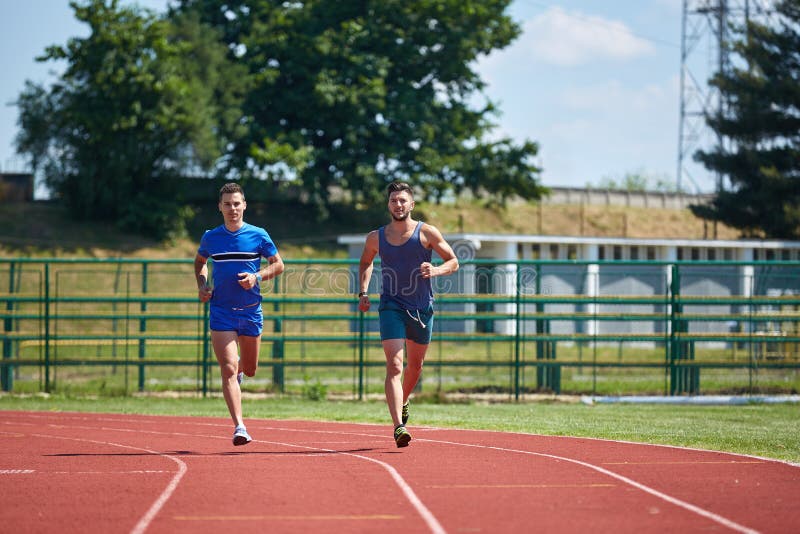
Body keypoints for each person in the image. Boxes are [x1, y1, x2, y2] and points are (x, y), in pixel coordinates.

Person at [358, 181, 459, 447]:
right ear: (388, 204)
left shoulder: (426, 232)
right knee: (394, 365)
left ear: (411, 204)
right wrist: (363, 291)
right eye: (394, 200)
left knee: (416, 366)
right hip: (391, 306)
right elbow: (366, 262)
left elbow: (453, 261)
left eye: (403, 200)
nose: (398, 205)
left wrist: (435, 270)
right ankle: (398, 427)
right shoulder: (376, 237)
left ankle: (403, 400)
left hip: (422, 307)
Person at [194, 182, 284, 446]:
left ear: (244, 205)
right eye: (227, 204)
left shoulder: (258, 235)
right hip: (221, 311)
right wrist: (202, 285)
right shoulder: (211, 237)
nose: (232, 208)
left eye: (236, 203)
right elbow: (200, 263)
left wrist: (257, 277)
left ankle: (242, 373)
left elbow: (278, 265)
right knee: (228, 369)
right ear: (219, 207)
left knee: (250, 369)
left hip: (250, 311)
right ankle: (240, 427)